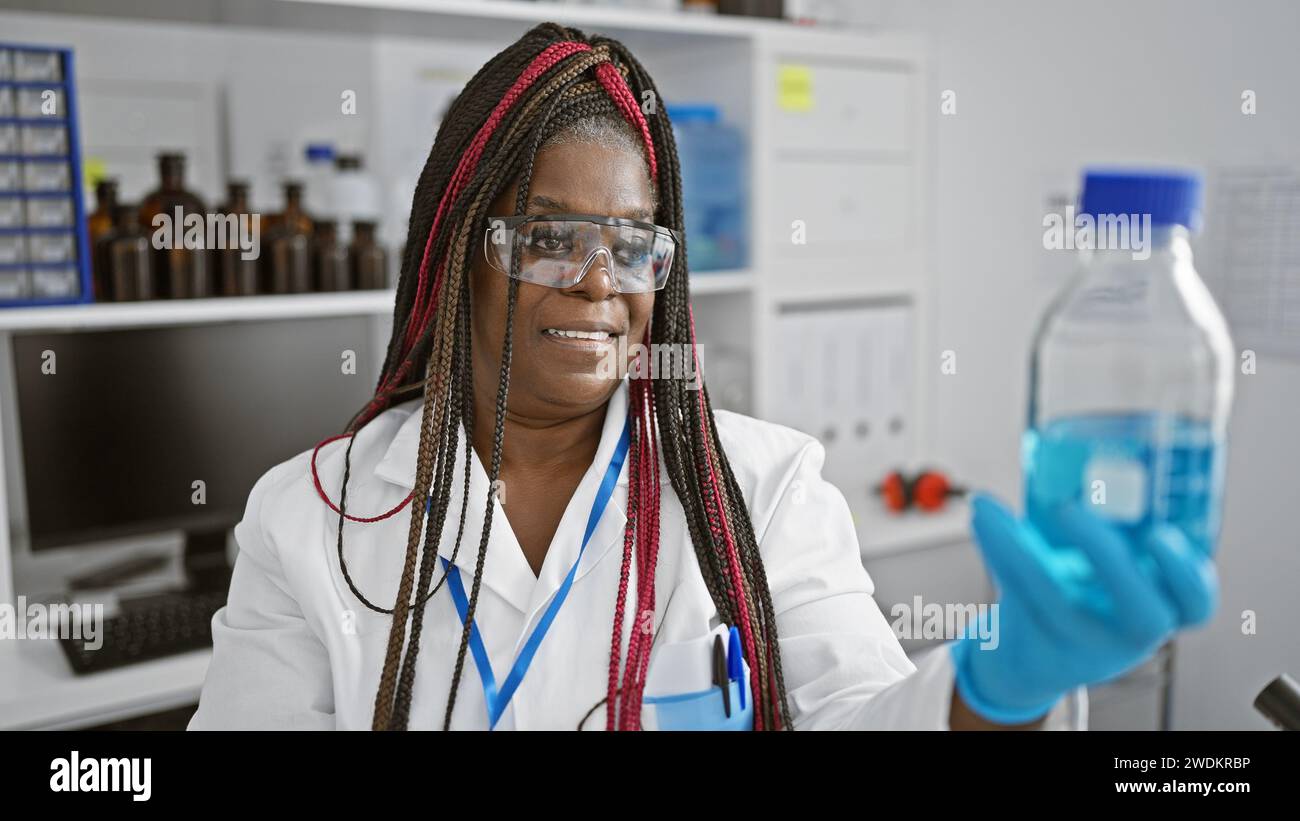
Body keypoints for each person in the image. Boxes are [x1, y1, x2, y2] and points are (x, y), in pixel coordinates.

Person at [189, 23, 1216, 731]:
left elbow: (862, 717)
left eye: (633, 245)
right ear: (464, 248)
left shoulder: (763, 488)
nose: (599, 281)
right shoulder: (312, 515)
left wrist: (996, 687)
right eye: (549, 236)